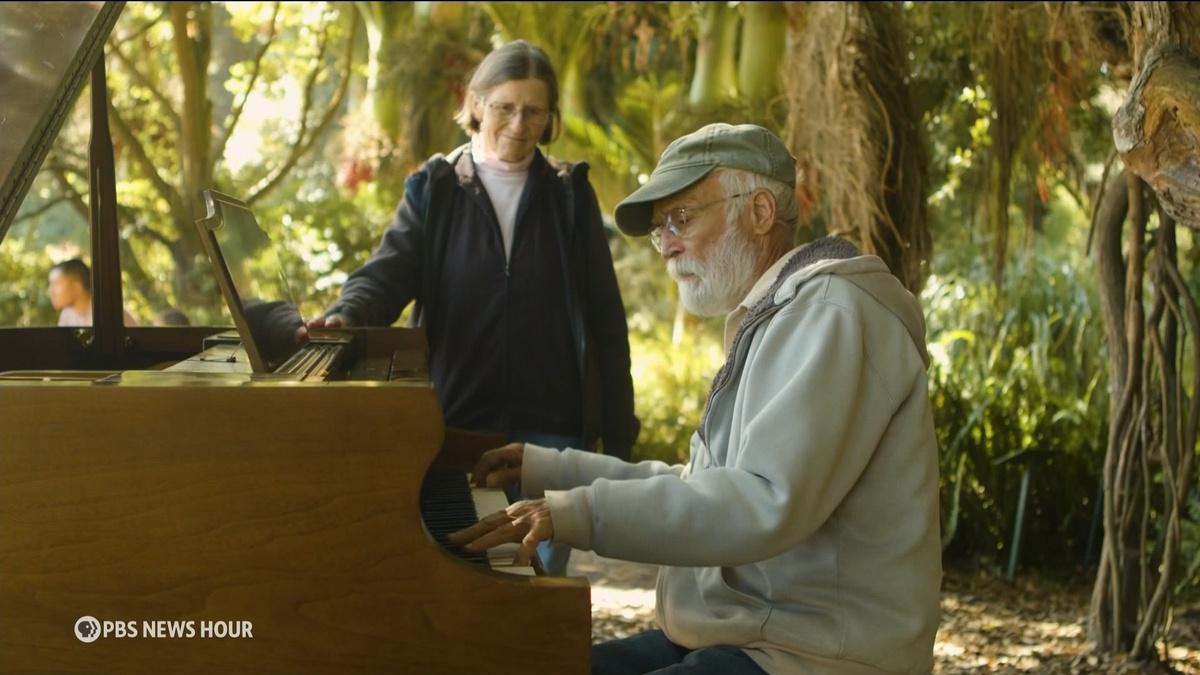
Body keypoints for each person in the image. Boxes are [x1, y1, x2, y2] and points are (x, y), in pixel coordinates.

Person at [449, 123, 942, 674]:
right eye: (663, 229)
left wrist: (573, 513)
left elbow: (760, 503)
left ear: (758, 212)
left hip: (814, 657)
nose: (668, 246)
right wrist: (549, 470)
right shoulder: (779, 314)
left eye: (681, 218)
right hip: (745, 635)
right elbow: (704, 486)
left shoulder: (831, 314)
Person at [306, 40, 639, 576]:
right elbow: (388, 274)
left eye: (534, 111)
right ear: (477, 102)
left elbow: (606, 322)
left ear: (550, 117)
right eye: (505, 106)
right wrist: (346, 315)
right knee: (462, 588)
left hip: (553, 433)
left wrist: (618, 436)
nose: (519, 123)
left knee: (537, 598)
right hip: (456, 428)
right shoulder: (435, 187)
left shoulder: (570, 195)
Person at [48, 258, 136, 326]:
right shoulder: (67, 314)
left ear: (77, 287)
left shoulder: (105, 313)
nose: (51, 291)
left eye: (56, 284)